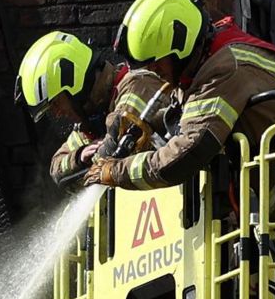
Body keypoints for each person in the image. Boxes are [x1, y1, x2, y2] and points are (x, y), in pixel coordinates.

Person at [82, 0, 275, 193]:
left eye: (156, 61)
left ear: (181, 45)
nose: (153, 69)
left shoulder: (224, 68)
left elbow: (188, 152)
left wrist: (116, 172)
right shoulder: (198, 69)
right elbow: (186, 119)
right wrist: (149, 122)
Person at [13, 30, 164, 187]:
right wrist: (79, 156)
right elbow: (56, 167)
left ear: (74, 82)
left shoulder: (136, 88)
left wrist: (94, 157)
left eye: (56, 103)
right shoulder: (91, 117)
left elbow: (116, 145)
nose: (57, 114)